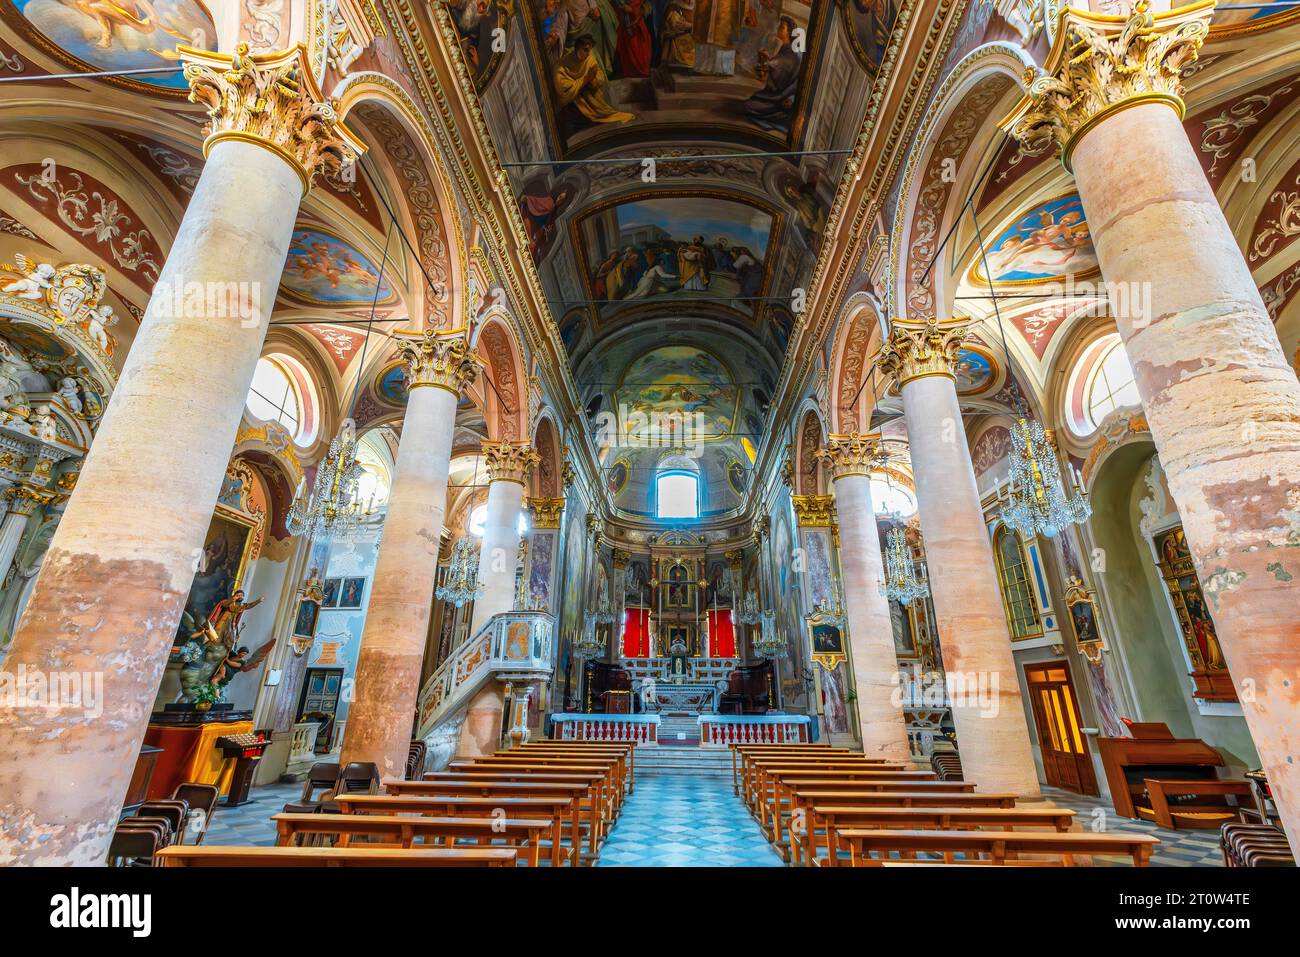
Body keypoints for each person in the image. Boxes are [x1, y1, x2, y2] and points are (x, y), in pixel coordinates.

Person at [553, 35, 636, 126]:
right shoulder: (562, 64)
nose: (588, 53)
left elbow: (599, 78)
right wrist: (586, 79)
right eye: (585, 50)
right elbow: (563, 91)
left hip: (591, 100)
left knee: (600, 114)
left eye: (589, 50)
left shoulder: (589, 60)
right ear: (577, 48)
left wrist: (593, 80)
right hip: (573, 102)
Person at [741, 16, 801, 131]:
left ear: (789, 32)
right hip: (777, 95)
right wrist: (770, 60)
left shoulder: (792, 51)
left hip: (781, 97)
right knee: (752, 101)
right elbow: (781, 64)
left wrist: (769, 61)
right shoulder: (786, 48)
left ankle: (781, 115)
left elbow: (783, 70)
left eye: (782, 27)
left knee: (748, 106)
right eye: (780, 26)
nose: (778, 29)